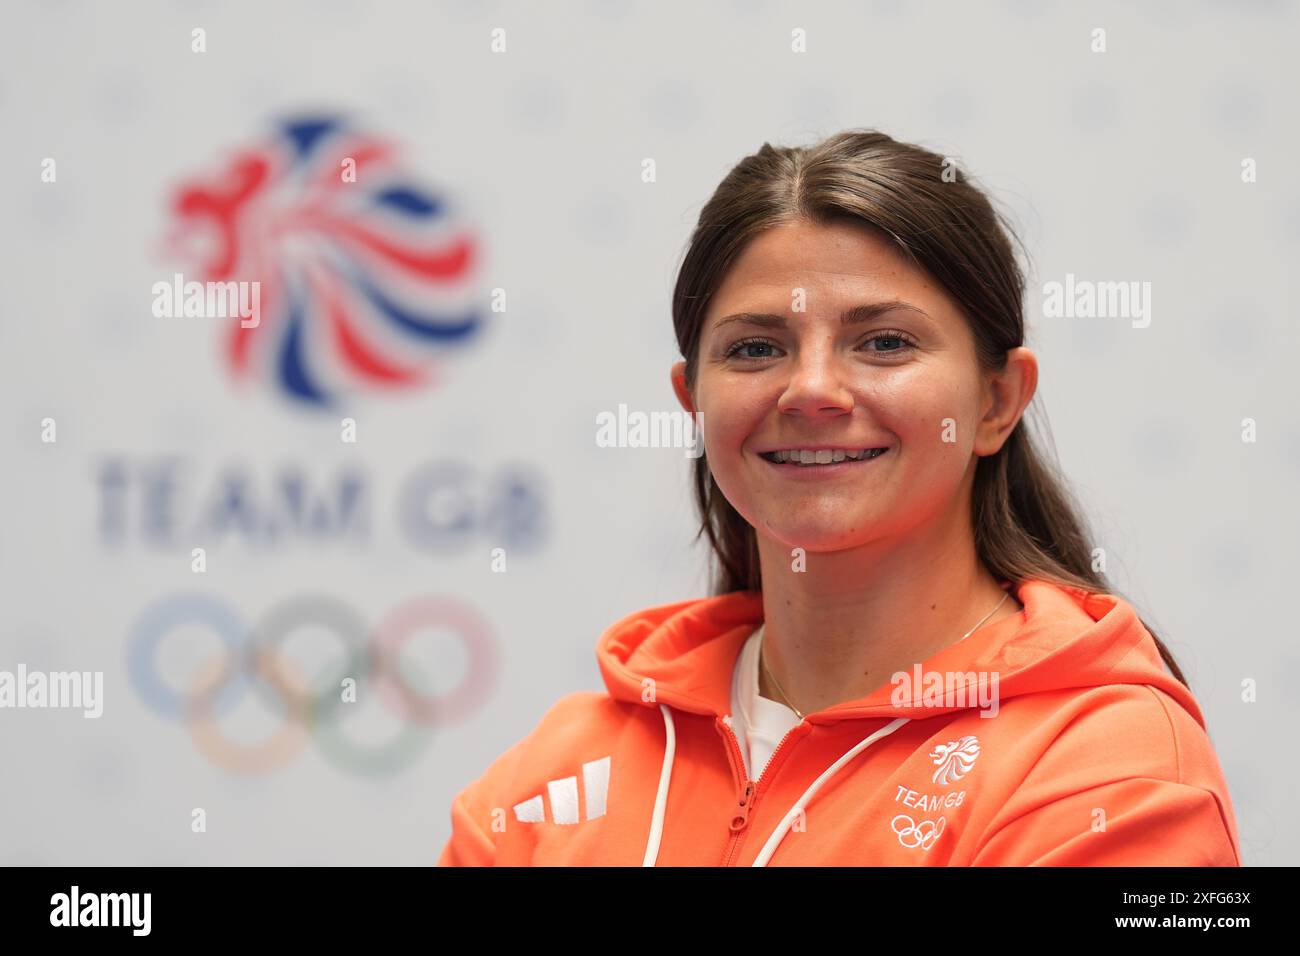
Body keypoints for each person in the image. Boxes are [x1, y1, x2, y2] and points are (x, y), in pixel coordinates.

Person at [437, 130, 1240, 866]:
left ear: (997, 401)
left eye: (884, 342)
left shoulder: (1113, 768)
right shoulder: (558, 775)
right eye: (756, 348)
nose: (811, 389)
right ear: (693, 402)